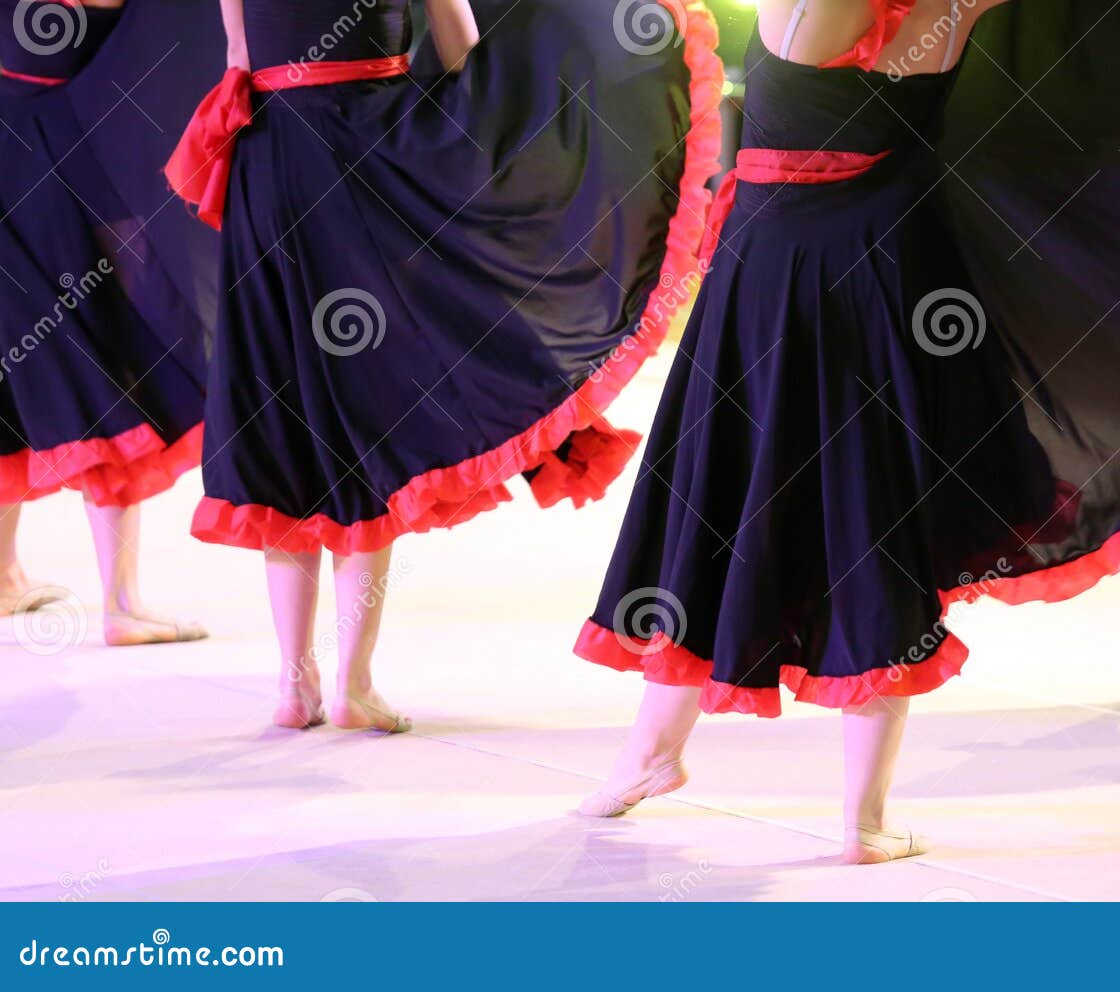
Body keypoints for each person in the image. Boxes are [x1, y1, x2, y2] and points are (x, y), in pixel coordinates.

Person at [575, 0, 1120, 862]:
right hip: (875, 277)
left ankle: (664, 758)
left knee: (733, 500)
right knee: (874, 521)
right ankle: (854, 817)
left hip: (774, 272)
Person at [166, 0, 721, 730]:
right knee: (372, 413)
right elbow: (467, 63)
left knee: (281, 410)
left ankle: (292, 685)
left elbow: (239, 59)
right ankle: (352, 686)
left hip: (265, 161)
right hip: (369, 160)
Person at [1, 0, 219, 645]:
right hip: (46, 172)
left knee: (22, 374)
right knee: (112, 368)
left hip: (32, 161)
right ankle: (121, 605)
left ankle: (5, 576)